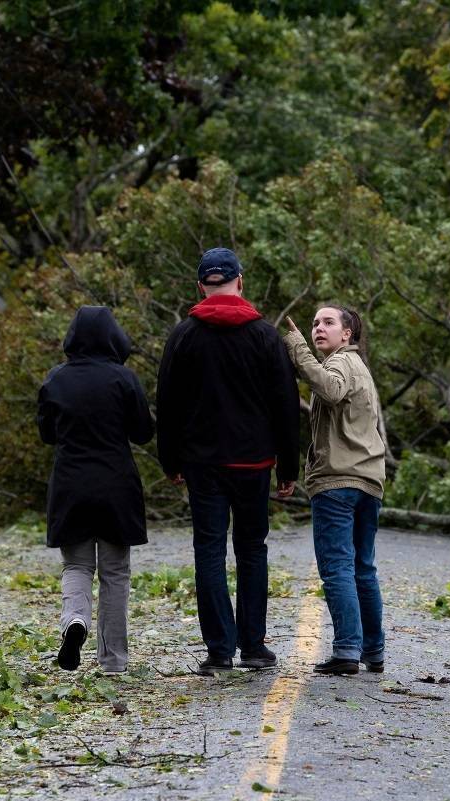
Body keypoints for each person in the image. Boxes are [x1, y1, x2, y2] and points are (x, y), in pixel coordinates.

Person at [157, 247, 301, 675]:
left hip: (202, 462)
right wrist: (287, 467)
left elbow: (168, 404)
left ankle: (219, 649)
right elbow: (285, 406)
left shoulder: (184, 335)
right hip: (254, 462)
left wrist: (171, 460)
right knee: (252, 549)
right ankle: (254, 647)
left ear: (201, 285)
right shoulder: (265, 336)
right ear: (240, 281)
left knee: (209, 549)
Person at [38, 306, 154, 676]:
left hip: (70, 485)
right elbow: (143, 432)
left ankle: (75, 620)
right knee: (115, 573)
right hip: (116, 485)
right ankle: (113, 661)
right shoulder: (124, 379)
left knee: (76, 565)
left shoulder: (55, 380)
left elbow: (46, 434)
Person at [283, 305, 387, 675]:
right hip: (369, 480)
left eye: (328, 322)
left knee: (338, 566)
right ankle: (373, 651)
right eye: (313, 324)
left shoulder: (340, 364)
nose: (317, 328)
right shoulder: (359, 367)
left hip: (339, 481)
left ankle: (346, 649)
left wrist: (296, 347)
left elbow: (329, 389)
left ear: (348, 334)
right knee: (363, 568)